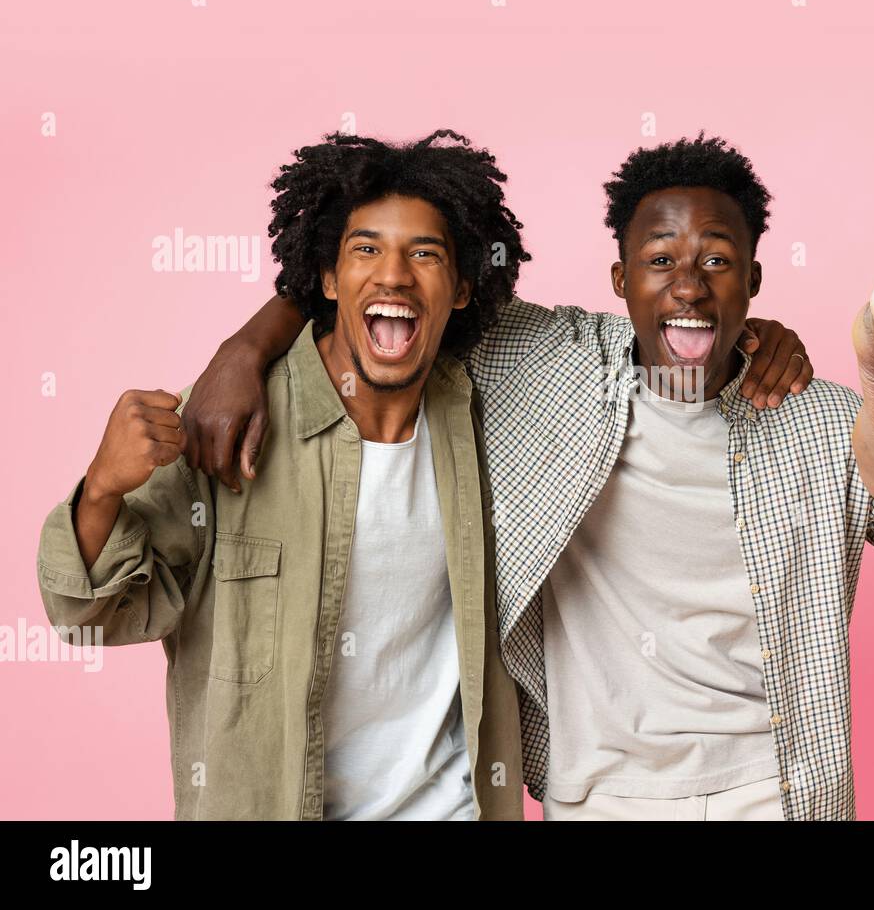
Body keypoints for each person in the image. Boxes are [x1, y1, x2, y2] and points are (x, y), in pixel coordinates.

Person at [183, 133, 874, 820]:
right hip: (596, 806)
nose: (688, 280)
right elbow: (394, 266)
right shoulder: (534, 363)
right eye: (661, 258)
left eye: (718, 260)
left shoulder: (823, 422)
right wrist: (251, 338)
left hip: (778, 799)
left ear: (754, 280)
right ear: (618, 279)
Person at [36, 131, 529, 820]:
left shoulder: (491, 408)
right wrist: (102, 489)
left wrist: (737, 347)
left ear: (465, 286)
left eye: (425, 253)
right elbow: (89, 616)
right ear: (327, 280)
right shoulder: (225, 423)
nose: (393, 274)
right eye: (366, 249)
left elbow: (637, 339)